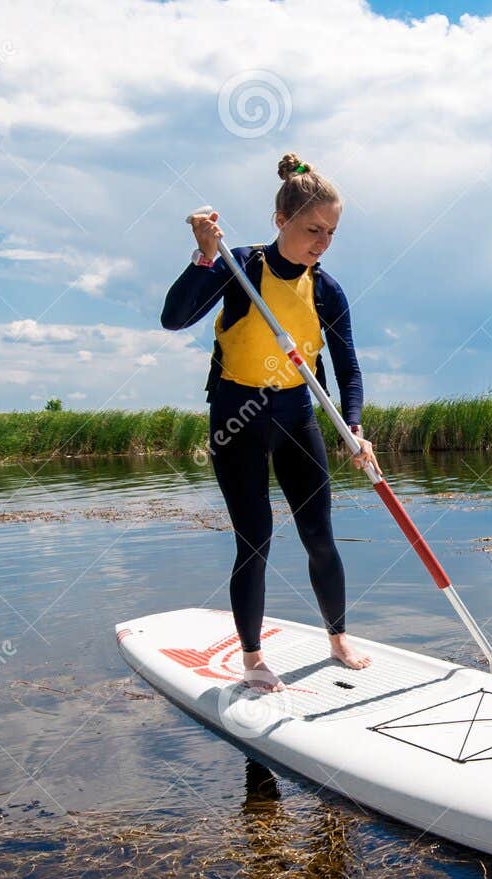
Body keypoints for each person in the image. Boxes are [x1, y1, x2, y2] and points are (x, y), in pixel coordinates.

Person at [161, 153, 375, 692]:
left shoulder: (326, 290)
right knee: (254, 541)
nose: (322, 242)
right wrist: (204, 257)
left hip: (298, 417)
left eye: (331, 232)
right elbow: (174, 318)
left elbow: (348, 370)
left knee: (320, 537)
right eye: (312, 229)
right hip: (238, 419)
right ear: (281, 220)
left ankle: (337, 636)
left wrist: (353, 426)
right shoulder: (239, 268)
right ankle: (253, 658)